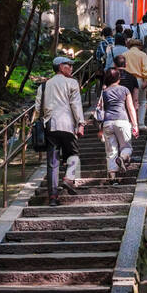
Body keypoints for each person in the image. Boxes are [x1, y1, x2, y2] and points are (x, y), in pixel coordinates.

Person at [33, 54, 85, 203]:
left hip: (49, 126)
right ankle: (68, 178)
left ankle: (53, 198)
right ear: (61, 67)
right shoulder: (72, 83)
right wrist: (81, 123)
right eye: (69, 65)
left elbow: (38, 109)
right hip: (67, 124)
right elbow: (75, 104)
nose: (72, 68)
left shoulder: (43, 85)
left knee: (52, 162)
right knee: (73, 153)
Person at [97, 66, 139, 181]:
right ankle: (122, 157)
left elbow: (100, 109)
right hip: (122, 121)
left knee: (111, 151)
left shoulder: (104, 92)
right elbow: (130, 108)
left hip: (108, 122)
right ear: (118, 78)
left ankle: (112, 178)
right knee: (126, 147)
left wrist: (100, 127)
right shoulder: (124, 90)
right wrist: (135, 125)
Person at [124, 34, 147, 127]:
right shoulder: (142, 54)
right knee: (142, 101)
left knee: (128, 103)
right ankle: (140, 123)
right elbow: (146, 69)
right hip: (139, 79)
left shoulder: (124, 54)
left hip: (127, 80)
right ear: (139, 46)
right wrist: (146, 80)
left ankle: (131, 123)